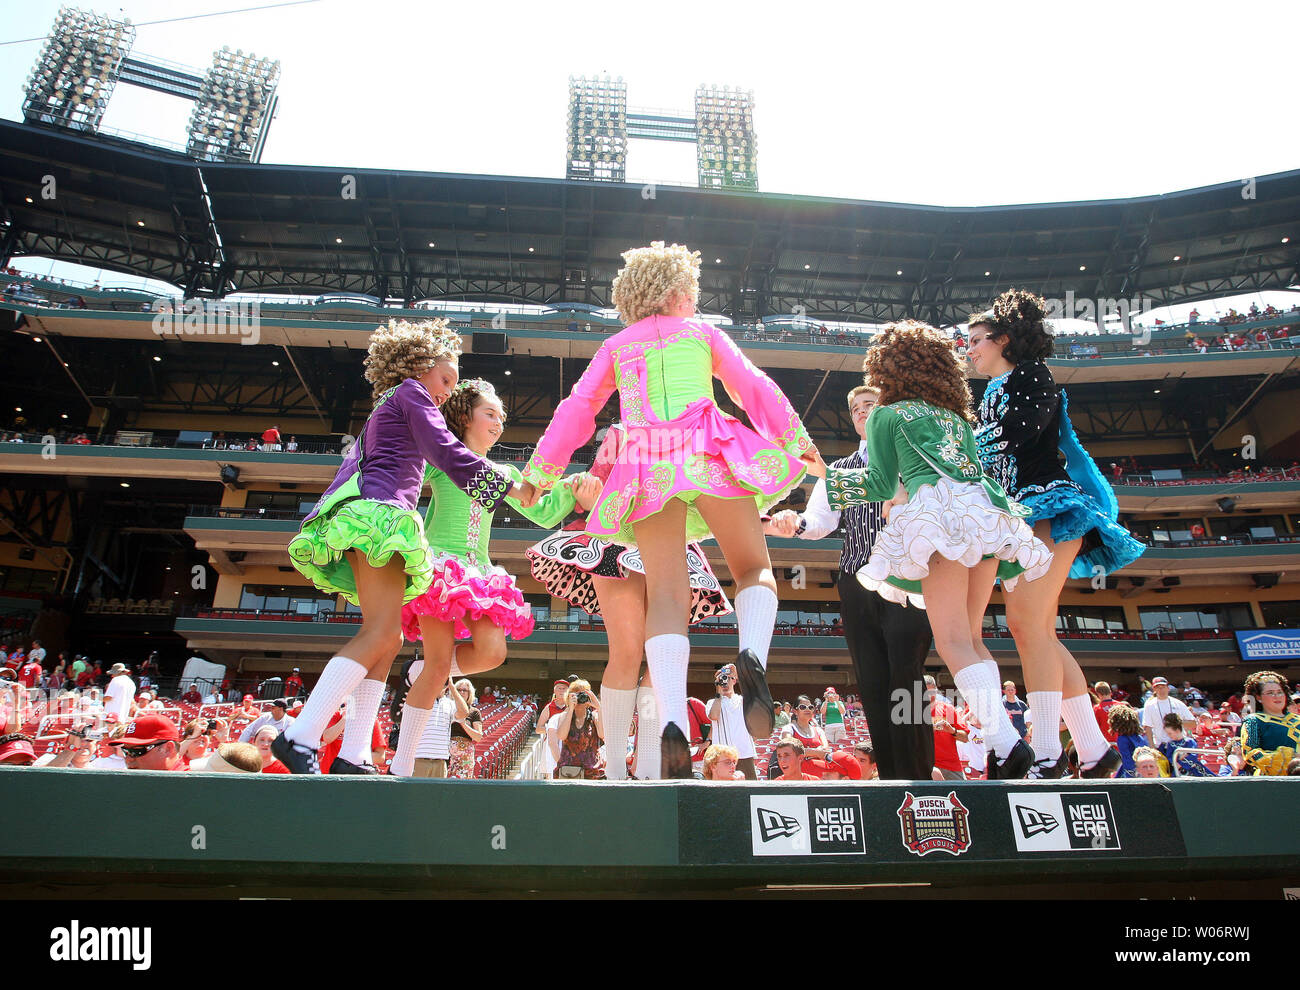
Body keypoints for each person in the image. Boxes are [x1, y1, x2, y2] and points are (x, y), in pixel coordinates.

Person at [521, 242, 814, 776]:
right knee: (753, 566)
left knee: (667, 594)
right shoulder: (703, 333)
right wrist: (798, 441)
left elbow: (579, 409)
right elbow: (752, 387)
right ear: (681, 292)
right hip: (710, 451)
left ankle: (672, 718)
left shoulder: (615, 344)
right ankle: (751, 657)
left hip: (645, 466)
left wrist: (539, 473)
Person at [802, 320, 1051, 779]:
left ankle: (1009, 745)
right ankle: (1005, 748)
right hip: (986, 515)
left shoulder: (887, 414)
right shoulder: (954, 416)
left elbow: (879, 483)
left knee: (954, 642)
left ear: (885, 366)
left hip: (937, 520)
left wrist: (823, 472)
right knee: (974, 639)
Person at [276, 319, 527, 774]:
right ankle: (300, 734)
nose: (448, 392)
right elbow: (447, 452)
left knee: (386, 642)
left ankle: (353, 755)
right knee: (383, 635)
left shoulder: (393, 405)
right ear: (419, 365)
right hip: (382, 518)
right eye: (446, 379)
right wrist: (509, 488)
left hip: (370, 516)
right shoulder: (411, 394)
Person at [968, 291, 1143, 779]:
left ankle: (1045, 749)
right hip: (1018, 518)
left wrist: (958, 447)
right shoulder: (992, 391)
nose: (970, 350)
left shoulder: (1030, 375)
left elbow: (1019, 434)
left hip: (1045, 508)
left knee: (1027, 627)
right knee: (1036, 630)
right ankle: (1092, 750)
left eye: (976, 340)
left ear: (1004, 339)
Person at [390, 378, 584, 777]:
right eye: (489, 414)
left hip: (480, 573)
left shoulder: (503, 471)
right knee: (438, 665)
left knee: (492, 652)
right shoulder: (445, 457)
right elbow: (402, 469)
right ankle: (400, 763)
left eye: (502, 416)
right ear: (464, 416)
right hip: (440, 566)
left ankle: (426, 672)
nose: (498, 423)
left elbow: (543, 512)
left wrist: (572, 488)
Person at [525, 423, 733, 780]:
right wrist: (591, 498)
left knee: (662, 655)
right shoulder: (621, 432)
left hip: (670, 541)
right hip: (614, 536)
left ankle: (649, 761)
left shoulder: (691, 431)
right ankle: (617, 766)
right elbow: (595, 481)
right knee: (627, 650)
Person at [1239, 671, 1300, 776]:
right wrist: (1280, 758)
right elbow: (1249, 752)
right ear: (1258, 697)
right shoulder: (1254, 721)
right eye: (1270, 693)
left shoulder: (1297, 719)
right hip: (1272, 780)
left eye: (1280, 692)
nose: (1277, 696)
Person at [707, 663, 758, 779]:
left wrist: (737, 673)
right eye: (721, 680)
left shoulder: (742, 700)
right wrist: (718, 692)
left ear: (734, 681)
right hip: (723, 757)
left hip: (744, 754)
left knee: (749, 790)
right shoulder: (712, 702)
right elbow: (714, 716)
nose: (724, 682)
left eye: (727, 679)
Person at [553, 678, 604, 779]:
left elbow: (602, 734)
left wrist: (599, 708)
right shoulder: (564, 715)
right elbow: (561, 736)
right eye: (576, 695)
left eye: (583, 695)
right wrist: (571, 708)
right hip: (569, 771)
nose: (580, 699)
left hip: (592, 771)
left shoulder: (594, 716)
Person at [109, 715, 185, 771]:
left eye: (137, 751)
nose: (128, 759)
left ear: (168, 749)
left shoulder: (190, 785)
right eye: (126, 751)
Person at [1140, 676, 1193, 746]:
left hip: (1180, 743)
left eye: (1163, 687)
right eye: (1158, 687)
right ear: (1154, 689)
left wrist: (1177, 723)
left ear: (1168, 688)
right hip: (1161, 745)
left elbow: (1193, 723)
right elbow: (1147, 727)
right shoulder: (1149, 705)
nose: (1161, 690)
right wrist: (1152, 746)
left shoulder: (1178, 703)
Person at [1158, 712, 1213, 777]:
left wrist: (1181, 762)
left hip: (1194, 770)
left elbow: (1193, 755)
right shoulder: (1170, 744)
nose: (1169, 735)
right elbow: (1170, 757)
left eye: (1170, 733)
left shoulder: (1189, 741)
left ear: (1177, 730)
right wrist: (1180, 760)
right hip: (1177, 770)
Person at [447, 678, 483, 778]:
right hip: (446, 752)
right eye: (458, 690)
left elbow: (478, 737)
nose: (461, 692)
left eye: (464, 690)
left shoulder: (474, 712)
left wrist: (462, 723)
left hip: (464, 754)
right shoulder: (447, 708)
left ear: (469, 693)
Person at [1108, 704, 1146, 779]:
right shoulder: (1139, 737)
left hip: (1134, 773)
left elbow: (1127, 760)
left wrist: (1130, 777)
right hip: (1143, 769)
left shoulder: (1122, 739)